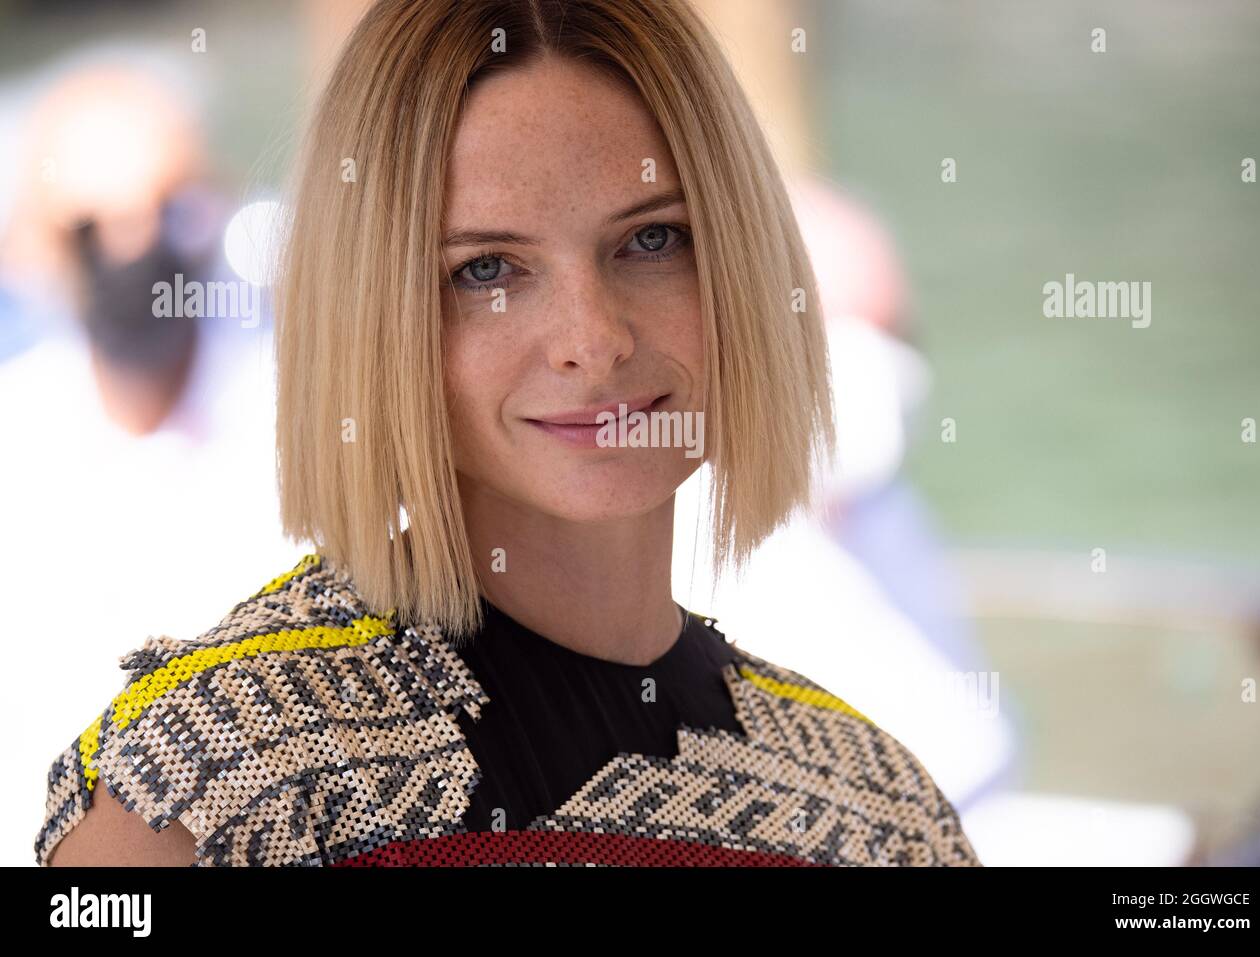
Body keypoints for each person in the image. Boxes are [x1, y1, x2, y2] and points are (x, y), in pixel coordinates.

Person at [36, 0, 980, 867]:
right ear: (374, 313)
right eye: (487, 267)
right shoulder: (202, 784)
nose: (593, 339)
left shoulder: (880, 810)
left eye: (652, 240)